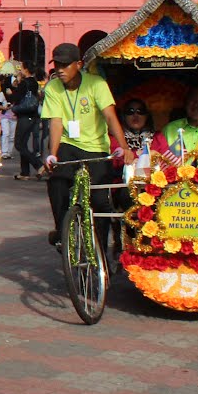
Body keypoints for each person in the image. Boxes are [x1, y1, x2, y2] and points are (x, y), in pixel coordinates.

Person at [40, 42, 130, 246]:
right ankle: (63, 232)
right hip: (68, 145)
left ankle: (101, 249)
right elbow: (56, 122)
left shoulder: (96, 84)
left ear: (79, 64)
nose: (60, 70)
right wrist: (52, 154)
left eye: (65, 65)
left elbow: (109, 116)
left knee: (99, 200)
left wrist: (123, 147)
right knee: (57, 181)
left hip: (95, 146)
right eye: (57, 65)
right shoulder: (53, 87)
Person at [9, 71, 42, 179]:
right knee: (23, 144)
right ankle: (25, 172)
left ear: (26, 70)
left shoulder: (24, 83)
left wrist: (13, 88)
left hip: (24, 116)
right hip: (32, 116)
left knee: (19, 144)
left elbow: (15, 97)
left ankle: (39, 165)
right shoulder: (34, 82)